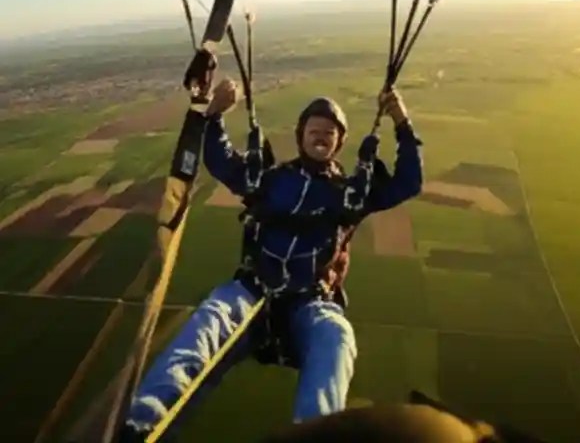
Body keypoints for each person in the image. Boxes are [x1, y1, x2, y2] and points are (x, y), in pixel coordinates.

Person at [120, 79, 423, 441]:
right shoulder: (271, 181)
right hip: (253, 290)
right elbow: (221, 162)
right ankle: (143, 424)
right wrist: (215, 116)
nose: (322, 137)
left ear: (339, 143)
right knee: (208, 322)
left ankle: (313, 436)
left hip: (309, 301)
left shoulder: (350, 193)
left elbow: (409, 181)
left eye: (330, 133)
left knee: (337, 336)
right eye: (315, 130)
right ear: (302, 136)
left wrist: (401, 121)